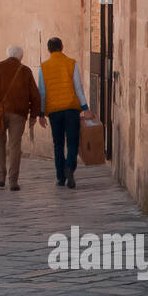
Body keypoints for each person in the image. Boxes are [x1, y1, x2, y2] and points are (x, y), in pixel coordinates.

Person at [0, 45, 41, 191]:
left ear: (7, 54)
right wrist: (34, 114)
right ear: (20, 57)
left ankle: (0, 177)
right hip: (18, 113)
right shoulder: (25, 71)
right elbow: (35, 95)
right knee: (15, 146)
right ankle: (13, 180)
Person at [39, 35, 89, 189]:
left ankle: (60, 177)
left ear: (48, 50)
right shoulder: (71, 63)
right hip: (71, 108)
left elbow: (42, 91)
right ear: (62, 47)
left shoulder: (44, 67)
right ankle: (70, 167)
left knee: (58, 144)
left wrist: (41, 113)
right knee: (73, 141)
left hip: (54, 110)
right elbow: (78, 88)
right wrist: (85, 108)